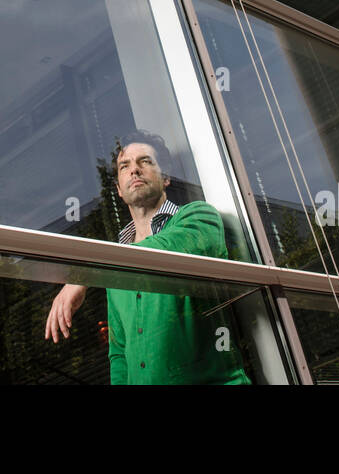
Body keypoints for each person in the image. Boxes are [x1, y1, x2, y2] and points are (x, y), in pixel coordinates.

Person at [43, 131, 251, 384]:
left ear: (165, 179)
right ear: (119, 190)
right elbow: (119, 352)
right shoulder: (115, 264)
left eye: (145, 161)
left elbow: (165, 253)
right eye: (125, 166)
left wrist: (88, 271)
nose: (135, 170)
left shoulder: (198, 217)